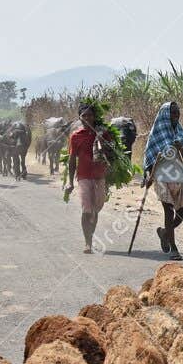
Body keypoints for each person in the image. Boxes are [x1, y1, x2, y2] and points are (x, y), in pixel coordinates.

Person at [142, 101, 183, 255]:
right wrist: (148, 177)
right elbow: (150, 157)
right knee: (168, 211)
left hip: (178, 176)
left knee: (182, 214)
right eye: (173, 113)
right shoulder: (156, 133)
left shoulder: (180, 133)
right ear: (165, 115)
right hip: (161, 176)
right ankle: (174, 248)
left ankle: (164, 233)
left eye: (177, 113)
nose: (176, 116)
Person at [66, 101, 110, 254]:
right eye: (84, 116)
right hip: (83, 176)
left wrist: (103, 146)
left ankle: (90, 235)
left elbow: (110, 155)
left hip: (100, 176)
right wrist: (70, 182)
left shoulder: (103, 134)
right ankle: (88, 242)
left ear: (94, 117)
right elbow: (72, 160)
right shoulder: (76, 137)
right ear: (80, 118)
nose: (87, 118)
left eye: (90, 115)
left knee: (96, 209)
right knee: (86, 210)